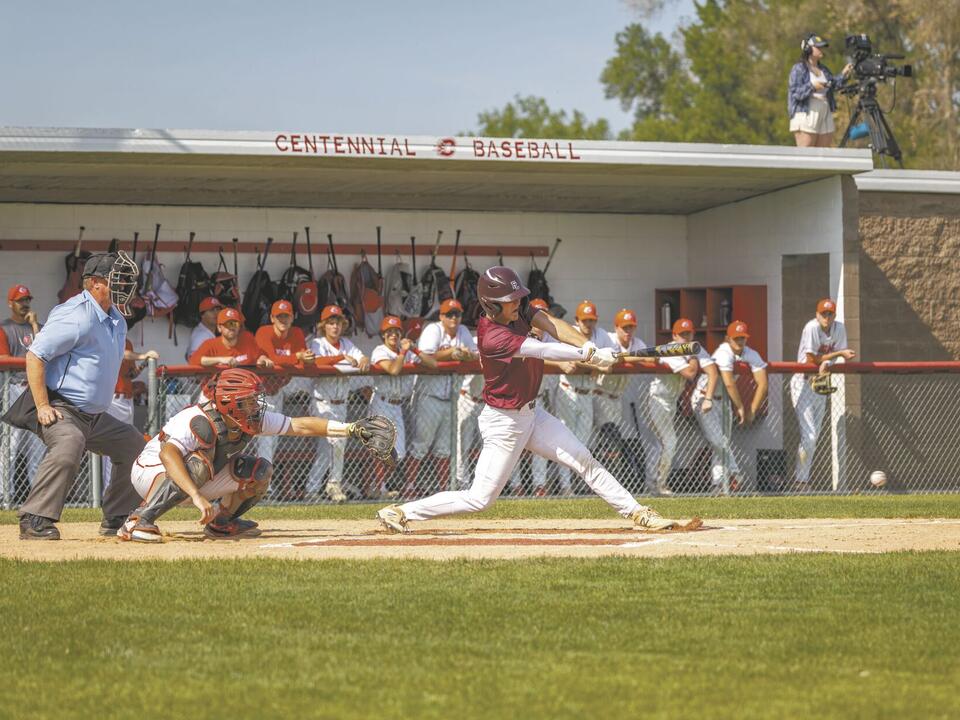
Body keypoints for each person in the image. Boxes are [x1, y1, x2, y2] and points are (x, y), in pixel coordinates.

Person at [376, 266, 698, 534]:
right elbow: (542, 349)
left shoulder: (521, 310)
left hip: (532, 414)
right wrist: (586, 354)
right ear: (491, 304)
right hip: (503, 422)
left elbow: (553, 326)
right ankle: (401, 511)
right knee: (480, 499)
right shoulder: (492, 336)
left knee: (583, 459)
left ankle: (638, 512)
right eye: (510, 300)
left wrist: (589, 346)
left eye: (518, 297)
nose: (518, 303)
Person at [118, 368, 387, 542]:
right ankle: (138, 520)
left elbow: (300, 425)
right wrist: (197, 495)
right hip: (150, 472)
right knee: (199, 464)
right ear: (230, 403)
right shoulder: (197, 419)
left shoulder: (250, 420)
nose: (256, 405)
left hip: (190, 477)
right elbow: (168, 454)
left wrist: (351, 429)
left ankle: (221, 524)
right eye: (248, 400)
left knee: (259, 471)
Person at [1, 252, 146, 540]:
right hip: (61, 406)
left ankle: (116, 516)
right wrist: (42, 404)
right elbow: (35, 356)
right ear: (94, 283)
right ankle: (35, 519)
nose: (124, 285)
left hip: (94, 415)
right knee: (70, 444)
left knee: (133, 445)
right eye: (115, 279)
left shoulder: (115, 317)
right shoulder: (75, 313)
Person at [406, 298, 477, 498]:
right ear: (441, 316)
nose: (454, 318)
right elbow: (426, 357)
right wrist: (452, 353)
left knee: (445, 448)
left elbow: (474, 354)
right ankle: (410, 486)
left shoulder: (463, 331)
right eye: (449, 314)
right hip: (429, 395)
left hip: (451, 398)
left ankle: (443, 488)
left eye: (457, 314)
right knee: (421, 444)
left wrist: (466, 355)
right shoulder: (432, 330)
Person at [692, 321, 768, 494]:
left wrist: (753, 409)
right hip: (705, 398)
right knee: (718, 441)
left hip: (723, 402)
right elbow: (728, 383)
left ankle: (718, 485)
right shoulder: (723, 352)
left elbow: (762, 383)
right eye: (736, 338)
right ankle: (735, 472)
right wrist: (740, 407)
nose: (740, 342)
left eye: (742, 338)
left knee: (721, 443)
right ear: (728, 338)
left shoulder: (749, 352)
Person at [305, 304, 369, 503]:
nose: (335, 327)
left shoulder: (347, 343)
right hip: (322, 402)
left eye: (338, 323)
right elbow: (318, 362)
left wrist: (364, 359)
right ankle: (332, 485)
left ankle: (314, 488)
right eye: (331, 323)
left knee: (330, 447)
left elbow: (361, 358)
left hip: (341, 403)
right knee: (335, 443)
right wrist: (341, 358)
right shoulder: (317, 343)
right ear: (324, 325)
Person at [369, 315, 437, 498]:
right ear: (383, 335)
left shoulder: (405, 350)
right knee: (382, 448)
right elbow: (393, 370)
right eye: (389, 332)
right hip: (381, 403)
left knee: (398, 453)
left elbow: (433, 364)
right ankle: (378, 488)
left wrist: (413, 349)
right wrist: (403, 353)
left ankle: (374, 485)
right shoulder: (379, 350)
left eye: (396, 331)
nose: (393, 335)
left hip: (398, 405)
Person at [790, 298, 855, 489]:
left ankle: (801, 480)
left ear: (834, 315)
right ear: (817, 315)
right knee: (809, 436)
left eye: (830, 314)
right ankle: (800, 480)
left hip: (819, 384)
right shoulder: (811, 327)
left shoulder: (839, 328)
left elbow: (834, 357)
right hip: (802, 383)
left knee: (813, 436)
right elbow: (811, 358)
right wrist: (836, 355)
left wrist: (829, 363)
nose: (827, 317)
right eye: (823, 313)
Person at [554, 300, 614, 494]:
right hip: (567, 392)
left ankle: (581, 485)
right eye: (585, 320)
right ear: (577, 320)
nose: (588, 324)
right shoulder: (569, 332)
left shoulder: (602, 335)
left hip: (587, 394)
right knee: (565, 441)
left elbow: (610, 364)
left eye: (592, 320)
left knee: (583, 444)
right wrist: (596, 366)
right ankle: (565, 486)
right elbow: (570, 364)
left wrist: (591, 365)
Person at [647, 318, 706, 495]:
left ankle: (654, 484)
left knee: (661, 444)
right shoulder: (671, 349)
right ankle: (658, 484)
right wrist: (695, 356)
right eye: (682, 335)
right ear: (674, 336)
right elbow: (690, 373)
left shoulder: (687, 352)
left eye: (688, 334)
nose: (686, 338)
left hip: (670, 402)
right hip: (658, 399)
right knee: (669, 442)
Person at [0, 284, 45, 499]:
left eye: (27, 300)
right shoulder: (5, 328)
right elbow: (3, 359)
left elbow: (45, 352)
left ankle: (36, 497)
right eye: (20, 300)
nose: (25, 304)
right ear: (11, 303)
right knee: (12, 444)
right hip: (15, 389)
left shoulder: (37, 327)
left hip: (37, 392)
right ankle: (4, 496)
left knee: (36, 446)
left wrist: (35, 325)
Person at [253, 300, 311, 465]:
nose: (283, 320)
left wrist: (299, 358)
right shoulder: (264, 332)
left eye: (286, 316)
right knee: (265, 437)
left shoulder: (297, 333)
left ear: (292, 318)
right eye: (279, 317)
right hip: (259, 393)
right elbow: (271, 359)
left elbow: (302, 362)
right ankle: (264, 483)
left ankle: (265, 479)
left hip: (277, 391)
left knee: (274, 436)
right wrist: (295, 357)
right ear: (272, 318)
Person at [101, 337, 159, 484]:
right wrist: (143, 356)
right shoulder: (105, 336)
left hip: (127, 400)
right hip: (110, 400)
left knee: (125, 444)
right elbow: (122, 353)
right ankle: (107, 489)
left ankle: (118, 487)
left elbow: (130, 374)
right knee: (110, 445)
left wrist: (144, 365)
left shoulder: (127, 341)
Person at [788, 33, 853, 148]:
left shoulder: (823, 69)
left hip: (824, 110)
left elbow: (834, 85)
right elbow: (795, 93)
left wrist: (844, 74)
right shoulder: (799, 68)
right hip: (807, 112)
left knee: (823, 154)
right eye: (818, 47)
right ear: (808, 48)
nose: (821, 49)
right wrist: (813, 87)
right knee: (806, 155)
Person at [189, 307, 272, 369]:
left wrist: (263, 359)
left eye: (235, 324)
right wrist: (220, 360)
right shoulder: (210, 344)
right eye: (228, 324)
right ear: (219, 327)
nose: (231, 327)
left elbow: (260, 354)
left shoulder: (247, 338)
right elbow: (193, 360)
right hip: (217, 390)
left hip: (244, 388)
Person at [185, 296, 222, 361]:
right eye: (211, 310)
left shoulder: (207, 331)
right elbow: (192, 358)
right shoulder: (201, 335)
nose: (216, 313)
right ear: (202, 315)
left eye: (218, 309)